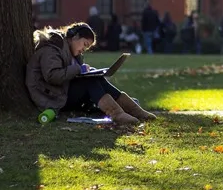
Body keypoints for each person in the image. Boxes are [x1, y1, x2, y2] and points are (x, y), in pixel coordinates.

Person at [26, 22, 156, 126]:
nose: (83, 49)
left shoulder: (68, 49)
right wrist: (79, 70)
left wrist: (84, 71)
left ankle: (134, 111)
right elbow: (52, 76)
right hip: (51, 97)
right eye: (84, 44)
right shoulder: (52, 48)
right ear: (75, 37)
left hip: (60, 92)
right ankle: (117, 114)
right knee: (90, 81)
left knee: (95, 78)